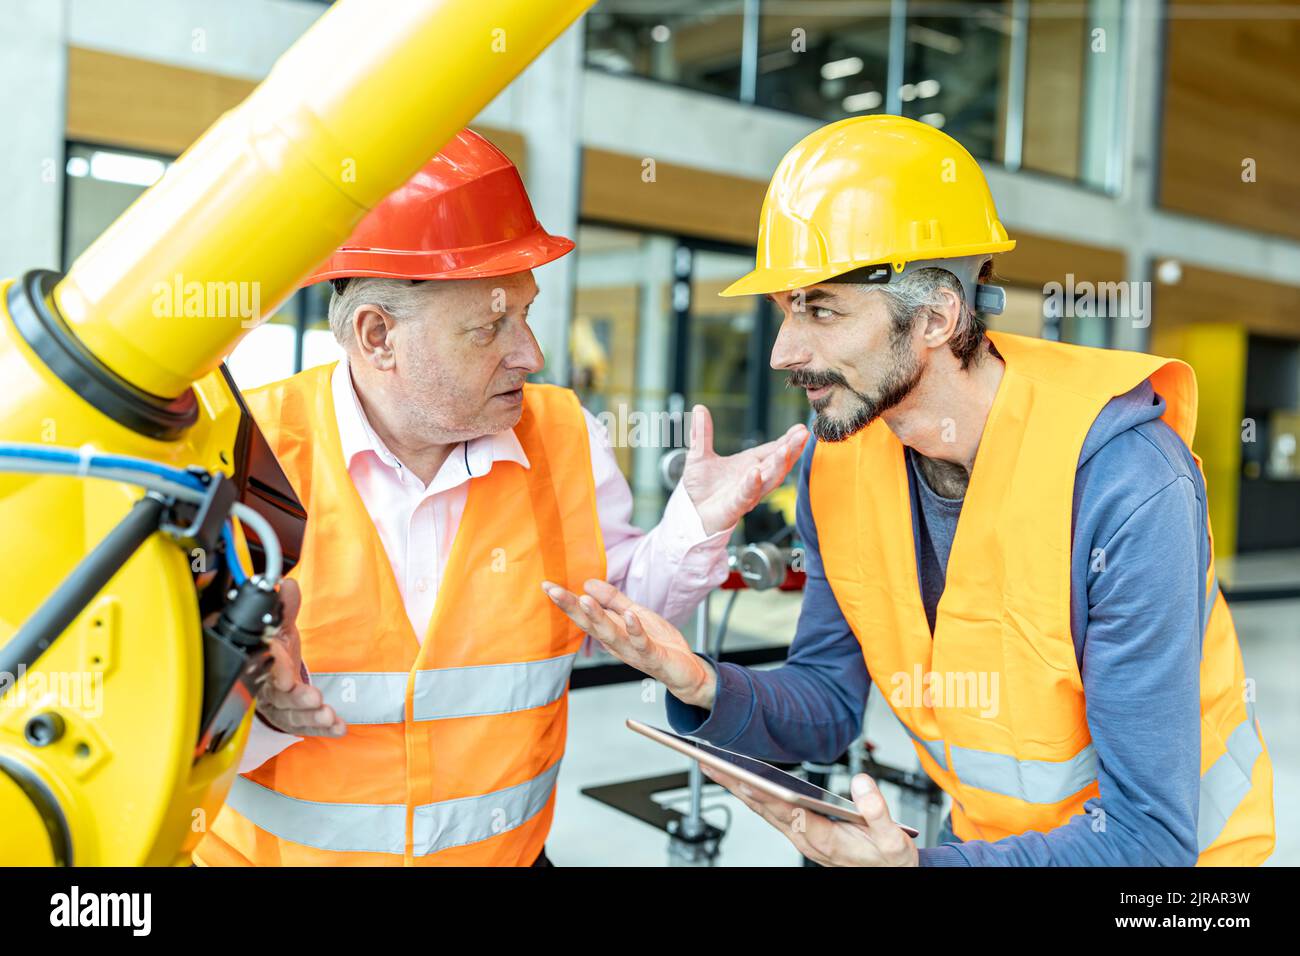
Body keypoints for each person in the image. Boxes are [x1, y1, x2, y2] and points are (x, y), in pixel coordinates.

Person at [543, 115, 1275, 866]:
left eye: (820, 308)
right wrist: (699, 683)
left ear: (935, 315)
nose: (782, 353)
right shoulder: (843, 464)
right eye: (784, 310)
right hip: (990, 845)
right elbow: (827, 704)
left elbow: (1148, 841)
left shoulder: (1127, 487)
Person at [193, 129, 808, 866]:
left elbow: (615, 613)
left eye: (524, 313)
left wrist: (698, 523)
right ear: (377, 334)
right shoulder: (237, 447)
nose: (531, 354)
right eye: (491, 327)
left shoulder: (562, 436)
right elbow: (157, 720)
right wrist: (254, 704)